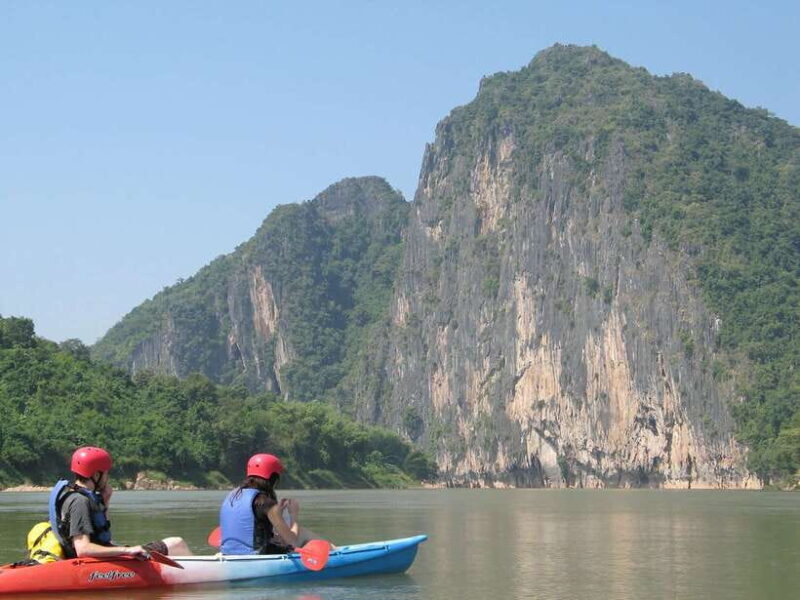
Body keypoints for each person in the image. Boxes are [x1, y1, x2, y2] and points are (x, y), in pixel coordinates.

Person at [49, 446, 192, 558]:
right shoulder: (79, 502)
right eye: (105, 473)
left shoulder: (78, 496)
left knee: (173, 546)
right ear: (96, 474)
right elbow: (83, 549)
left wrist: (105, 502)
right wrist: (127, 551)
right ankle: (205, 573)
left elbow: (103, 536)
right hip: (94, 564)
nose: (107, 477)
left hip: (103, 558)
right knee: (177, 543)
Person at [219, 453, 328, 555]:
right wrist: (293, 515)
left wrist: (277, 513)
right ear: (273, 478)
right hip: (258, 554)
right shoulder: (266, 503)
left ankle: (333, 551)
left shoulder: (232, 496)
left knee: (279, 537)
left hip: (228, 553)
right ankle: (334, 553)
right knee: (302, 533)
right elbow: (292, 542)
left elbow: (254, 528)